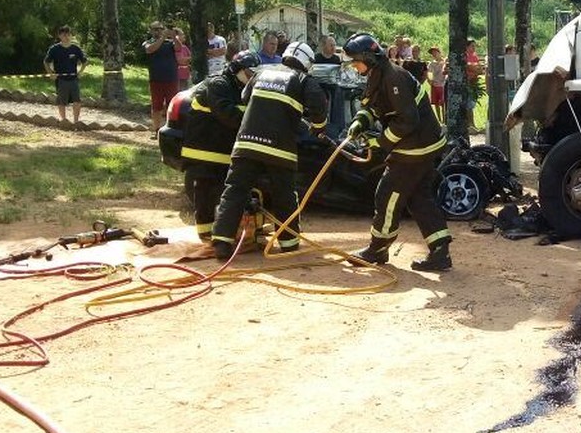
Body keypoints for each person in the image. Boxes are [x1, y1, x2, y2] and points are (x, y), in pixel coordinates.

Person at [343, 33, 452, 272]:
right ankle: (440, 250)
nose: (353, 66)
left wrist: (379, 143)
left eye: (355, 61)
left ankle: (378, 248)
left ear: (367, 58)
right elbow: (372, 106)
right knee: (418, 197)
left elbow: (407, 121)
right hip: (421, 144)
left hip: (416, 146)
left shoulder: (394, 77)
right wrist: (360, 122)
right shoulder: (377, 73)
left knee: (387, 193)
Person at [209, 42, 328, 261]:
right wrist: (318, 128)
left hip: (246, 143)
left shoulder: (261, 72)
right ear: (306, 63)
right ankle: (288, 243)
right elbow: (319, 106)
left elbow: (245, 98)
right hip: (279, 148)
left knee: (235, 189)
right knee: (284, 194)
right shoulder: (303, 79)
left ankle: (222, 244)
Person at [182, 51, 258, 242]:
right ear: (236, 69)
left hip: (223, 152)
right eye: (249, 73)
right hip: (203, 152)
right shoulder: (219, 85)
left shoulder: (241, 88)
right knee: (205, 193)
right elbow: (227, 114)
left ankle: (227, 233)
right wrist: (257, 122)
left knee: (228, 194)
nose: (251, 78)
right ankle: (206, 234)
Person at [43, 25, 88, 125]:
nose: (66, 37)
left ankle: (76, 121)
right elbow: (46, 62)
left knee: (77, 101)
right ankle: (64, 120)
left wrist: (80, 72)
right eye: (64, 35)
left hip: (74, 79)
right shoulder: (54, 49)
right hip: (61, 80)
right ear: (60, 36)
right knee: (61, 101)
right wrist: (51, 73)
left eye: (68, 34)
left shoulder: (75, 48)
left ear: (71, 36)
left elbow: (85, 61)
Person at [143, 21, 180, 133]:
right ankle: (156, 129)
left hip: (171, 79)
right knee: (156, 106)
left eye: (160, 29)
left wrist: (174, 36)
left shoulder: (170, 43)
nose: (158, 31)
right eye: (155, 29)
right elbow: (150, 49)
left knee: (172, 105)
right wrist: (162, 38)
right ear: (151, 31)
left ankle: (171, 128)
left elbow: (178, 48)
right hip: (156, 79)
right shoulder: (148, 42)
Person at [464, 39, 484, 135]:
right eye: (472, 46)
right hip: (466, 83)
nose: (474, 48)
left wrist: (474, 68)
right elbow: (468, 67)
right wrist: (473, 68)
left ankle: (472, 124)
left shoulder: (475, 56)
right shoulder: (464, 56)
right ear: (467, 47)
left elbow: (480, 70)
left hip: (473, 82)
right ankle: (470, 124)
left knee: (471, 105)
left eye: (474, 46)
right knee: (468, 105)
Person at [427, 46, 446, 122]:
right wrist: (430, 81)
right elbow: (429, 73)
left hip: (442, 84)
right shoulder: (431, 64)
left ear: (439, 52)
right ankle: (439, 119)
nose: (434, 54)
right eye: (432, 53)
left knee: (443, 103)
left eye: (435, 52)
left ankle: (445, 119)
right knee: (436, 103)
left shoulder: (444, 62)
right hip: (435, 85)